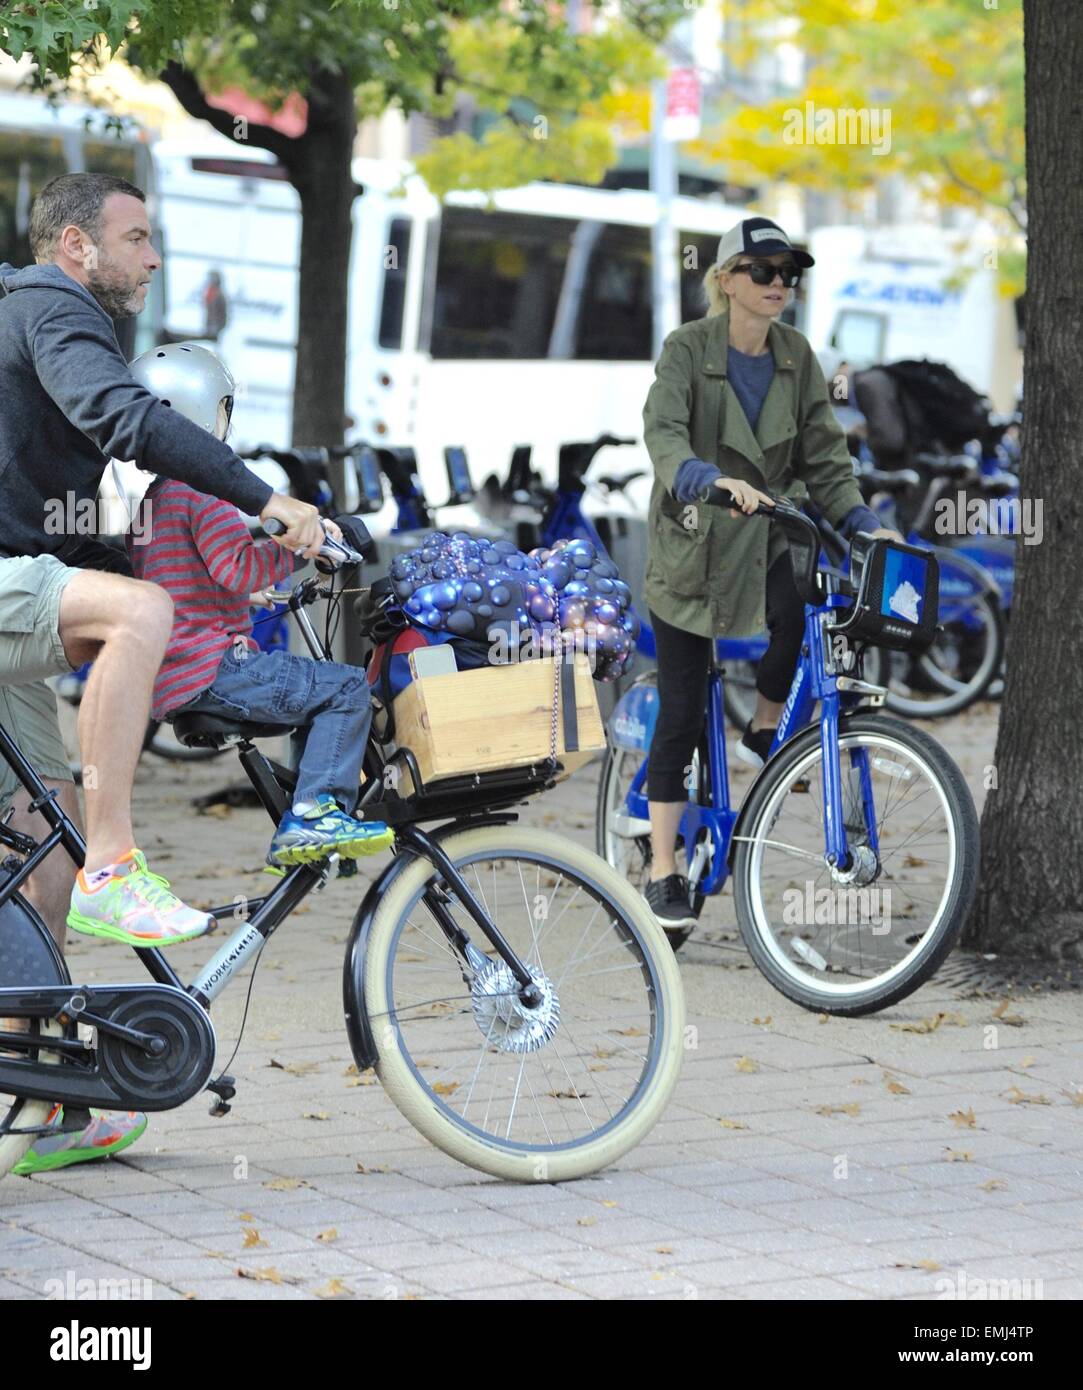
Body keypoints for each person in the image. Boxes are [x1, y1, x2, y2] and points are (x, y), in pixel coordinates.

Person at [0, 171, 325, 1173]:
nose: (152, 257)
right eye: (136, 237)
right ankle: (116, 864)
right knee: (141, 613)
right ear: (75, 245)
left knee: (36, 837)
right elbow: (127, 420)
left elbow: (57, 521)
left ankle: (41, 1101)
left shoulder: (33, 319)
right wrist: (264, 498)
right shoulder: (55, 309)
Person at [640, 216, 899, 935]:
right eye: (763, 271)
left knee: (805, 609)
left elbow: (825, 458)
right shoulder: (687, 347)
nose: (779, 283)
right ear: (726, 279)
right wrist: (703, 477)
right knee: (682, 709)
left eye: (789, 273)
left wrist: (862, 523)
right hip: (693, 544)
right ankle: (661, 866)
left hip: (766, 540)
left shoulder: (796, 354)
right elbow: (663, 431)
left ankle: (763, 726)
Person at [125, 342, 393, 868]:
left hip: (175, 675)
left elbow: (179, 578)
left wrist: (245, 595)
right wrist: (303, 547)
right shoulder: (206, 490)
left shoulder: (156, 499)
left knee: (314, 701)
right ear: (203, 413)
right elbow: (237, 566)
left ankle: (310, 821)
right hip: (215, 668)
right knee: (345, 689)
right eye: (225, 408)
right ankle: (315, 813)